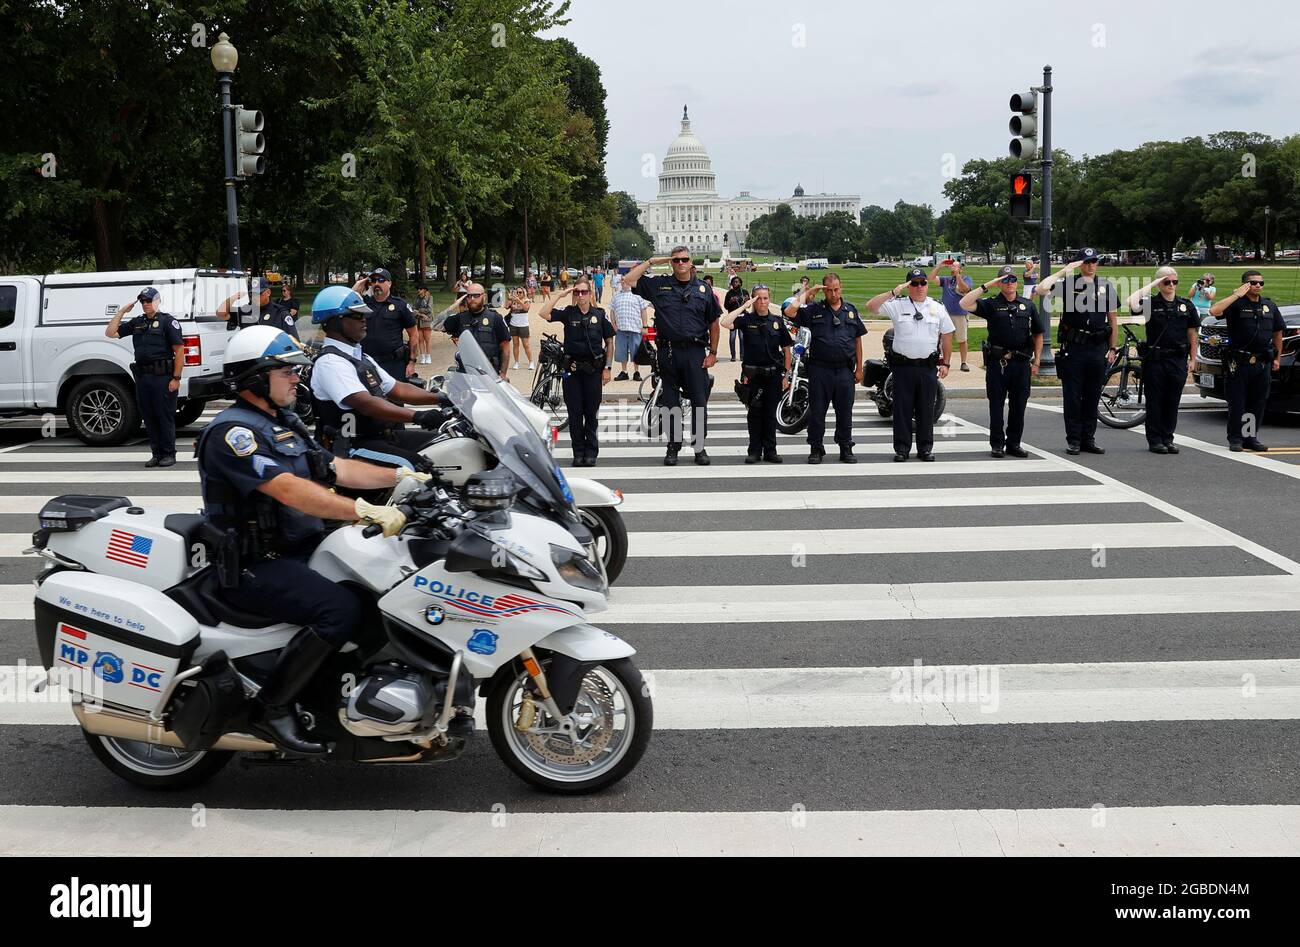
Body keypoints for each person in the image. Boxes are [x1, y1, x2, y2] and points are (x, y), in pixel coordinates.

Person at [199, 324, 414, 754]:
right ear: (256, 377)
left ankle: (341, 699)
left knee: (381, 591)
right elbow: (288, 489)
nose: (297, 378)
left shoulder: (281, 421)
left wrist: (408, 478)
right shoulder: (232, 433)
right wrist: (363, 510)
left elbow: (333, 469)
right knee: (339, 609)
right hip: (253, 565)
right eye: (287, 371)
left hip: (298, 548)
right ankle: (272, 708)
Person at [308, 285, 452, 468]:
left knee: (449, 443)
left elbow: (396, 388)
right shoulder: (330, 362)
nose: (364, 319)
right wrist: (417, 416)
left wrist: (442, 399)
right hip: (352, 446)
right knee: (418, 467)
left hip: (382, 437)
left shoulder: (360, 357)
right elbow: (366, 404)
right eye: (357, 315)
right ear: (335, 321)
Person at [623, 247, 722, 465]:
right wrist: (651, 261)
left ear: (691, 261)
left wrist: (713, 353)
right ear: (671, 262)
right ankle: (673, 446)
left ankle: (699, 447)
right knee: (670, 404)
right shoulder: (660, 285)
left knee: (698, 401)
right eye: (676, 260)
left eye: (684, 259)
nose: (680, 263)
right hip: (668, 351)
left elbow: (714, 323)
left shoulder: (704, 289)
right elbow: (628, 280)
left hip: (695, 352)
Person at [1035, 248, 1119, 455]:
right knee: (1072, 397)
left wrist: (1113, 347)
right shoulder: (1068, 285)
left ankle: (1088, 439)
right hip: (1074, 349)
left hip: (1097, 348)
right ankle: (1073, 439)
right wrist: (1065, 270)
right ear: (1080, 264)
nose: (1091, 265)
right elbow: (1041, 289)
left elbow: (1113, 319)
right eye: (1087, 262)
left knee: (1092, 396)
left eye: (1094, 262)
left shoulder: (1106, 286)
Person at [866, 268, 954, 462]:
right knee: (902, 409)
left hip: (927, 367)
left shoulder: (937, 307)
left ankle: (925, 448)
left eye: (923, 282)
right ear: (908, 286)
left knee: (925, 409)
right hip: (903, 367)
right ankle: (902, 449)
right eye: (914, 283)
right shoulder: (897, 304)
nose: (920, 287)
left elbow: (947, 334)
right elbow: (871, 307)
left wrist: (946, 362)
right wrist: (893, 292)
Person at [960, 265, 1043, 458]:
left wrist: (1037, 360)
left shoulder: (1027, 305)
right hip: (999, 363)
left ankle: (1014, 443)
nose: (1009, 283)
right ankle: (997, 443)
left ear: (1017, 282)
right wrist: (988, 285)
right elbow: (964, 303)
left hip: (1021, 363)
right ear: (999, 283)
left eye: (1012, 279)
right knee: (996, 404)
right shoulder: (991, 304)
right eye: (1004, 280)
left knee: (1019, 404)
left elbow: (1038, 333)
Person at [786, 273, 866, 463]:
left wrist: (859, 368)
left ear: (841, 287)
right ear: (823, 290)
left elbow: (857, 340)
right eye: (828, 290)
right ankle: (816, 447)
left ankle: (845, 446)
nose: (833, 294)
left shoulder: (850, 311)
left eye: (836, 289)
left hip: (845, 370)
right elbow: (789, 312)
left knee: (845, 411)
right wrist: (808, 292)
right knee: (817, 411)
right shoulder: (814, 310)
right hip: (820, 369)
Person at [105, 287, 184, 468]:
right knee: (148, 416)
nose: (146, 304)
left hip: (163, 377)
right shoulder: (137, 322)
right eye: (143, 301)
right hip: (143, 378)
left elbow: (179, 351)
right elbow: (111, 333)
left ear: (157, 301)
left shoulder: (168, 322)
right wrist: (122, 312)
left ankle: (169, 453)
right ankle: (156, 454)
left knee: (164, 416)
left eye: (149, 300)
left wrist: (176, 378)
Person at [539, 279, 615, 466]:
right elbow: (543, 313)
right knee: (574, 414)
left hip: (593, 371)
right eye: (577, 292)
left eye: (584, 292)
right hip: (572, 371)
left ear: (590, 294)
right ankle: (578, 452)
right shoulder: (568, 313)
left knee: (591, 413)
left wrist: (608, 368)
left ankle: (591, 452)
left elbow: (610, 342)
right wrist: (560, 295)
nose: (580, 295)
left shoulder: (599, 314)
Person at [1210, 269, 1285, 451]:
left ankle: (1250, 437)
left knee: (1257, 402)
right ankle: (1236, 438)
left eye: (1260, 283)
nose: (1258, 285)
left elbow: (1278, 334)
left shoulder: (1269, 306)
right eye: (1253, 283)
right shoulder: (1236, 304)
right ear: (1245, 285)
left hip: (1262, 362)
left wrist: (1277, 358)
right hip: (1239, 362)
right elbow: (1214, 310)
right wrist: (1236, 294)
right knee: (1238, 402)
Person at [1126, 267, 1199, 454]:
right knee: (1155, 401)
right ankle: (1155, 440)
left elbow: (1192, 333)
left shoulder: (1186, 305)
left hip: (1177, 359)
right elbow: (1131, 302)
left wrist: (1193, 358)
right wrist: (1152, 284)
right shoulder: (1150, 303)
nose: (1172, 285)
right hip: (1156, 360)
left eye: (1175, 282)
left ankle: (1168, 438)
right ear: (1159, 283)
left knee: (1172, 401)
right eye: (1167, 282)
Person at [723, 284, 792, 463]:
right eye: (758, 298)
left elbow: (786, 351)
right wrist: (745, 306)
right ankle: (754, 450)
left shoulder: (777, 321)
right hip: (753, 376)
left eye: (765, 298)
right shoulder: (746, 319)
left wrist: (786, 376)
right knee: (754, 414)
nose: (762, 302)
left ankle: (770, 450)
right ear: (753, 300)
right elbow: (725, 322)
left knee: (770, 414)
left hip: (773, 375)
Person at [351, 268, 417, 383]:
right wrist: (355, 289)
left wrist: (411, 362)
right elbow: (345, 309)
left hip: (393, 364)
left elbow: (414, 334)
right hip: (367, 363)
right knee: (369, 399)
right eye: (373, 280)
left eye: (381, 280)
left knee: (395, 400)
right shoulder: (363, 304)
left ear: (390, 283)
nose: (377, 283)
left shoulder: (400, 305)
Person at [442, 282, 511, 379]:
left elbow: (506, 348)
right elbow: (435, 325)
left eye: (476, 295)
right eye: (469, 296)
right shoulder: (460, 318)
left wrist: (503, 374)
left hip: (490, 374)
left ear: (484, 296)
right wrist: (456, 304)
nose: (472, 299)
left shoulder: (495, 318)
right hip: (466, 374)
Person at [218, 276, 299, 339]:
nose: (255, 297)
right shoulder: (245, 311)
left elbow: (293, 340)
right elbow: (221, 313)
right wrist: (234, 297)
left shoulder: (280, 313)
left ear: (268, 292)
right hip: (249, 357)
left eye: (258, 293)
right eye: (252, 294)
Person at [931, 260, 972, 371]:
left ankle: (963, 362)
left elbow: (965, 289)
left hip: (960, 314)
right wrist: (939, 266)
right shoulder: (946, 280)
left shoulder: (966, 279)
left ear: (960, 269)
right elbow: (931, 278)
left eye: (955, 266)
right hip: (945, 314)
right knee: (943, 339)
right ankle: (944, 361)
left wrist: (957, 275)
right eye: (951, 267)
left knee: (962, 339)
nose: (952, 268)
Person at [611, 281, 652, 381]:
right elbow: (612, 311)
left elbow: (643, 311)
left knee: (636, 352)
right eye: (623, 282)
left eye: (627, 282)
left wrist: (645, 326)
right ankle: (624, 371)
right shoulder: (616, 296)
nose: (625, 284)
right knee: (621, 351)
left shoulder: (637, 295)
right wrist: (614, 325)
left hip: (635, 328)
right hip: (621, 329)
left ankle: (636, 372)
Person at [505, 287, 534, 371]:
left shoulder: (527, 300)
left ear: (524, 293)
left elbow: (526, 308)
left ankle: (531, 362)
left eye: (520, 292)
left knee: (526, 345)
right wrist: (509, 298)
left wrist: (518, 301)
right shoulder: (513, 300)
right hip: (513, 325)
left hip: (523, 325)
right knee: (515, 344)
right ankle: (516, 362)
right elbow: (506, 306)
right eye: (517, 292)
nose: (518, 294)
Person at [724, 275, 750, 362]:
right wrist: (731, 301)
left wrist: (746, 301)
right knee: (732, 337)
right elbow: (726, 306)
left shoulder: (745, 292)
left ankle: (742, 356)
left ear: (740, 283)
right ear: (732, 283)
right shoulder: (729, 293)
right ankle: (733, 355)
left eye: (738, 282)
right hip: (733, 317)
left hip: (742, 317)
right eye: (734, 282)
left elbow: (749, 305)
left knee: (742, 337)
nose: (736, 283)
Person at [412, 283, 435, 365]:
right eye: (418, 289)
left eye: (420, 289)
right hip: (418, 320)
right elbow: (413, 309)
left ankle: (428, 356)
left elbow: (429, 309)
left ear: (424, 290)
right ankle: (423, 356)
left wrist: (419, 310)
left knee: (427, 340)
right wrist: (420, 314)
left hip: (427, 320)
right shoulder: (416, 298)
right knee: (420, 340)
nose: (418, 290)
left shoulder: (429, 297)